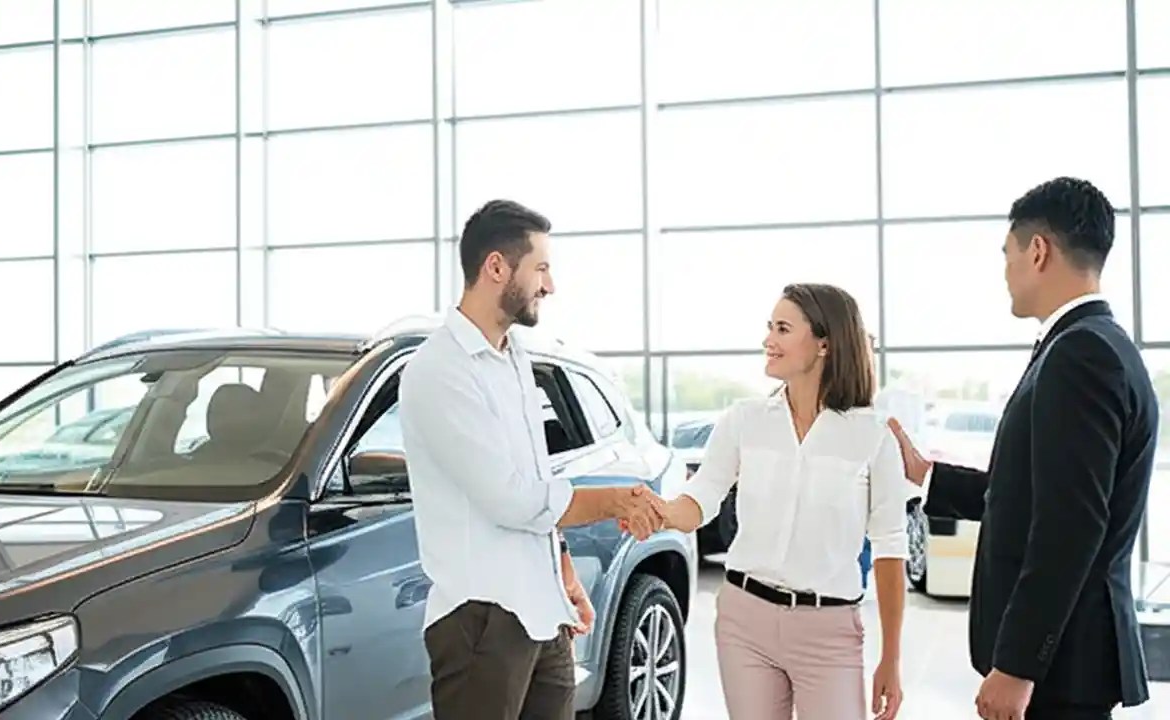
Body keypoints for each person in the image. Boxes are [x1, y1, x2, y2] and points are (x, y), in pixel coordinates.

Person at [887, 177, 1158, 720]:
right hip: (1066, 661)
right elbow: (1036, 493)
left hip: (1059, 669)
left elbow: (1070, 526)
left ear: (1038, 251)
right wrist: (928, 475)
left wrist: (1017, 666)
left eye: (1007, 255)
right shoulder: (1094, 345)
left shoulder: (1080, 356)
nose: (1005, 272)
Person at [398, 199, 667, 720]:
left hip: (543, 611)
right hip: (483, 620)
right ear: (496, 267)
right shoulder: (440, 369)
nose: (550, 285)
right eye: (540, 267)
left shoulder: (515, 358)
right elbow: (509, 498)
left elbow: (535, 481)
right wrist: (614, 501)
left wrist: (563, 574)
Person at [658, 282, 909, 720]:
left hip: (828, 629)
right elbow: (701, 498)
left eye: (782, 328)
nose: (768, 340)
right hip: (745, 619)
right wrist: (657, 513)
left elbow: (890, 547)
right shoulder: (744, 420)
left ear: (824, 343)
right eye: (769, 327)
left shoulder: (873, 435)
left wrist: (891, 658)